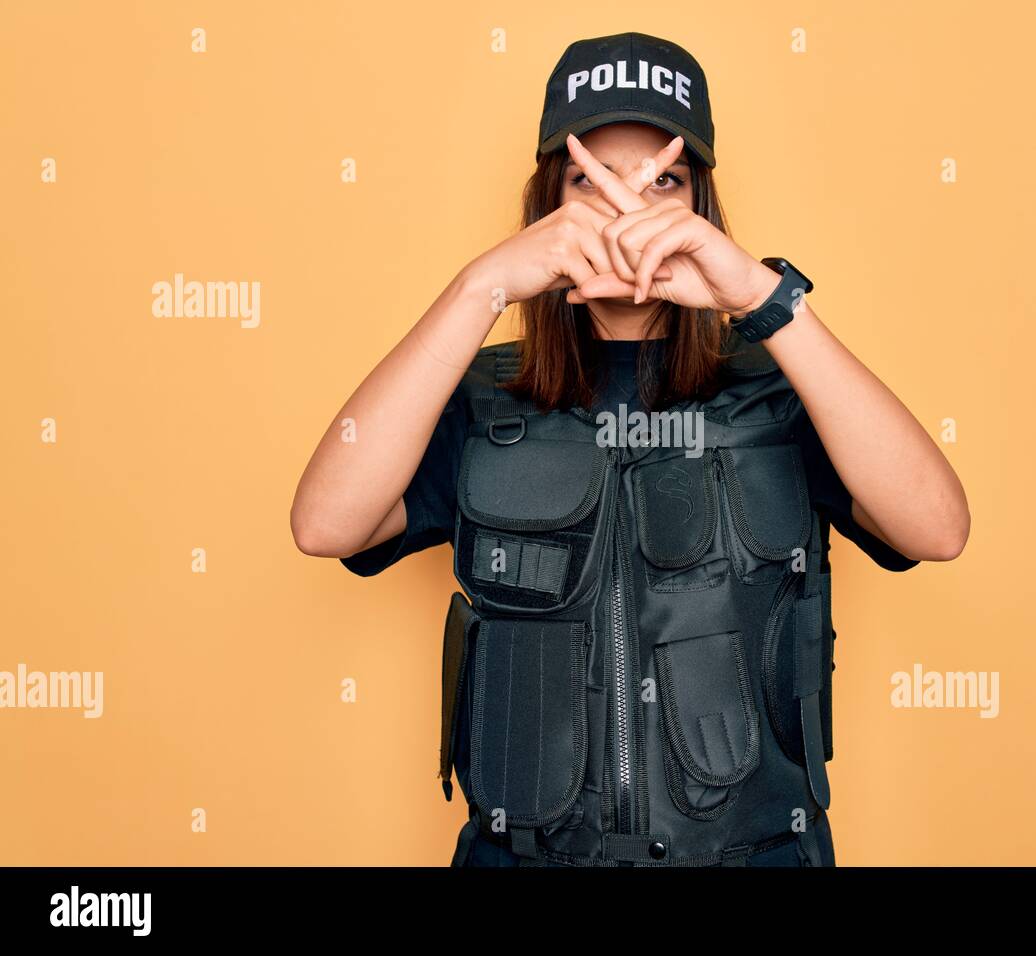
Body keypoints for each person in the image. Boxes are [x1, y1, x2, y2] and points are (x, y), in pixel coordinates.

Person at [291, 32, 969, 867]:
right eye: (591, 181)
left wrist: (760, 297)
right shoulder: (476, 396)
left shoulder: (784, 389)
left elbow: (936, 528)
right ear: (549, 205)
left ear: (700, 212)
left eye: (662, 183)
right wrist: (481, 287)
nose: (625, 209)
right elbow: (325, 523)